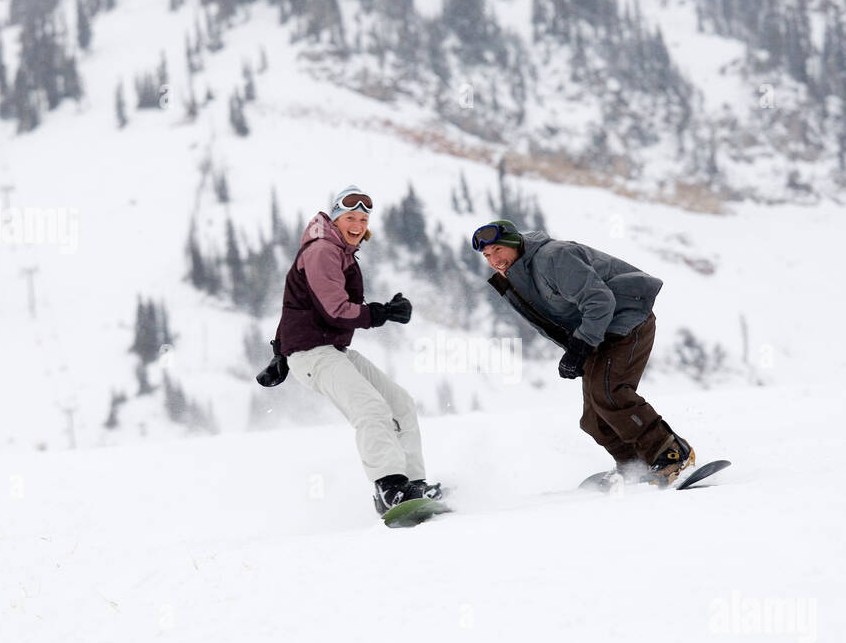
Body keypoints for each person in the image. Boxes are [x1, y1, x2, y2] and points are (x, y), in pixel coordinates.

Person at [257, 186, 441, 515]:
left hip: (329, 349)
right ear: (336, 220)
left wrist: (278, 352)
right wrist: (382, 312)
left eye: (362, 218)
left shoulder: (340, 251)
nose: (357, 224)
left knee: (399, 404)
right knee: (370, 409)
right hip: (314, 353)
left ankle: (412, 484)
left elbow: (296, 304)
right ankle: (389, 488)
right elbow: (334, 310)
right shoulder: (323, 250)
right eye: (349, 218)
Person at [472, 219, 695, 486]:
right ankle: (636, 465)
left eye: (498, 250)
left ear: (513, 243)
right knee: (593, 419)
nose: (494, 259)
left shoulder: (554, 257)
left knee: (609, 394)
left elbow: (599, 300)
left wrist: (582, 345)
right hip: (598, 333)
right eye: (487, 255)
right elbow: (552, 321)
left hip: (626, 318)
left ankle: (670, 455)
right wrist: (575, 349)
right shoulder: (517, 278)